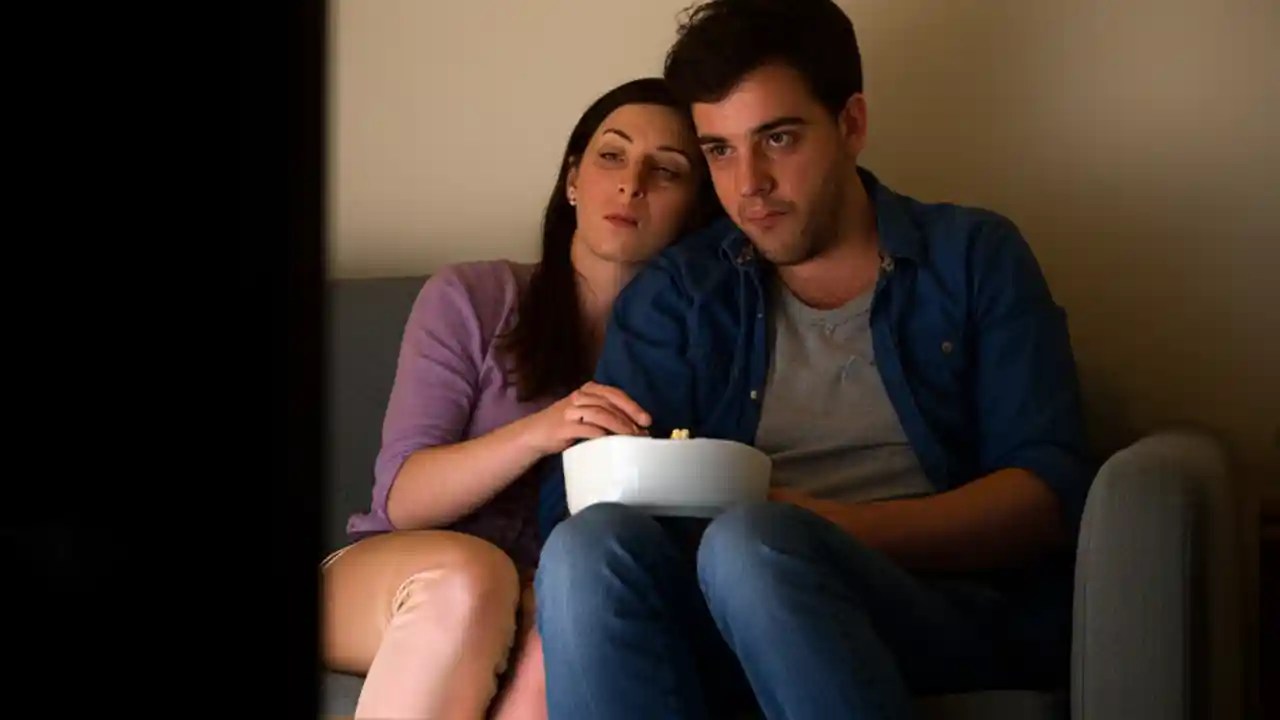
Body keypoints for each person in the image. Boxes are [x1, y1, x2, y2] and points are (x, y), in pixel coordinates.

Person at [535, 2, 1096, 718]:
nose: (748, 185)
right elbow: (573, 509)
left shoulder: (972, 257)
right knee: (586, 552)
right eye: (719, 151)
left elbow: (1045, 497)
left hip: (932, 606)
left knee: (750, 542)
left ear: (851, 124)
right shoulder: (681, 293)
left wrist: (812, 526)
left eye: (778, 138)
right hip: (718, 608)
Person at [321, 76, 719, 720]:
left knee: (566, 633)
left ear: (697, 208)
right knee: (473, 578)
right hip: (393, 574)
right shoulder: (473, 297)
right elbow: (404, 499)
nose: (631, 183)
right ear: (571, 180)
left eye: (666, 171)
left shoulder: (704, 348)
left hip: (545, 595)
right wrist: (543, 430)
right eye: (611, 156)